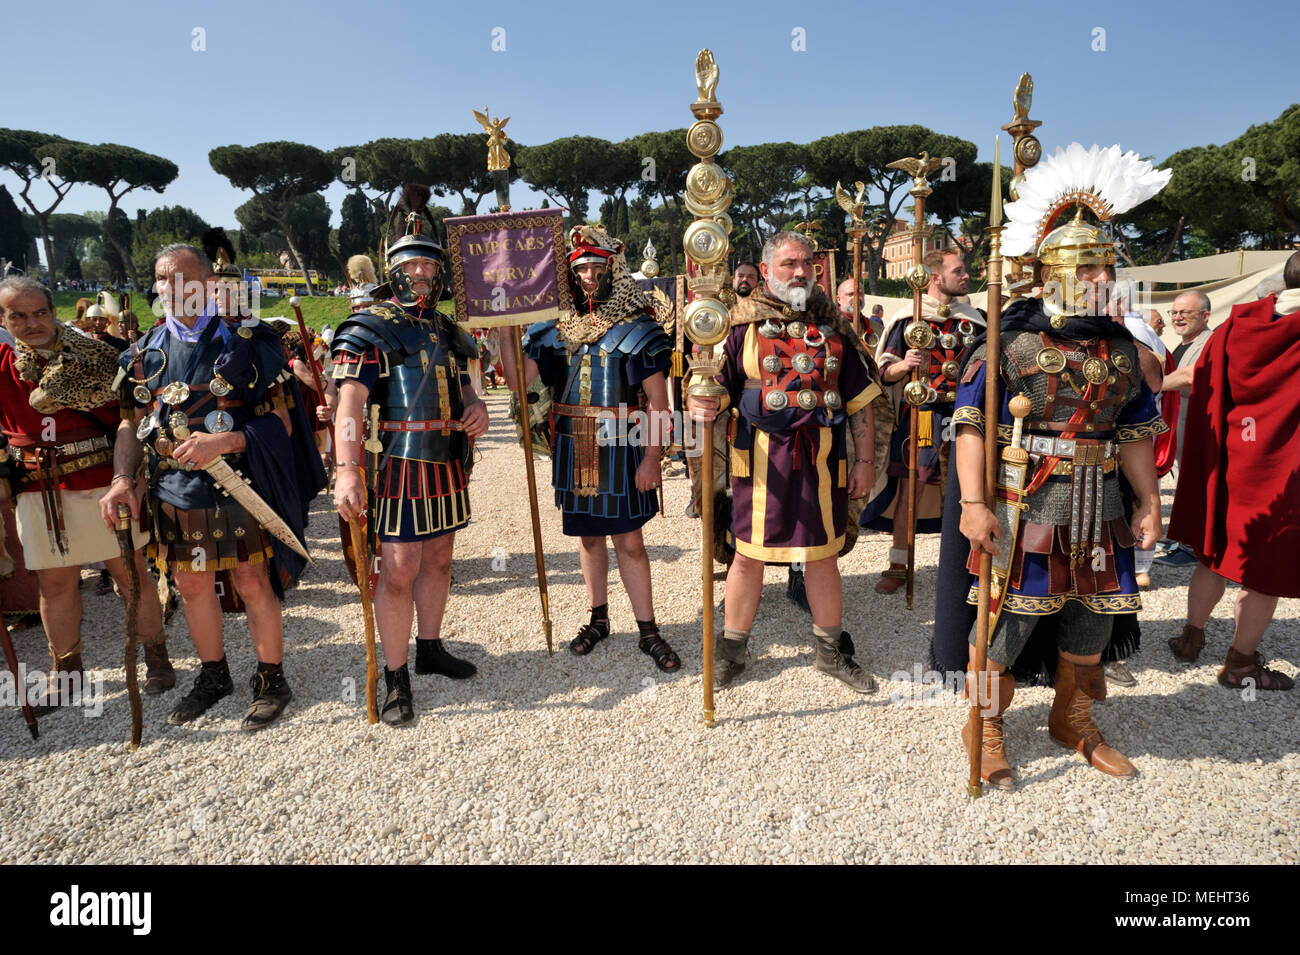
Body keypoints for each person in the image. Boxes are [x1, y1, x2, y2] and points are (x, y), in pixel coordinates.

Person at [933, 147, 1169, 788]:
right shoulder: (1009, 342)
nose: (1097, 276)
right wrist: (976, 504)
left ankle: (1073, 719)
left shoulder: (1120, 350)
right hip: (1025, 501)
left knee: (1091, 619)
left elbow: (1134, 433)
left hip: (1103, 504)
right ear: (1049, 272)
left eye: (1104, 265)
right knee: (1008, 621)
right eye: (1083, 266)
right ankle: (984, 727)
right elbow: (971, 425)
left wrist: (1148, 501)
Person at [100, 243, 325, 731]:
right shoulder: (140, 354)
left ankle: (271, 679)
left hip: (239, 485)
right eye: (163, 280)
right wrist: (122, 480)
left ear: (209, 283)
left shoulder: (251, 344)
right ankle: (214, 675)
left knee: (251, 582)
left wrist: (225, 440)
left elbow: (283, 423)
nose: (173, 288)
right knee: (191, 583)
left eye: (184, 278)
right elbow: (130, 425)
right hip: (173, 491)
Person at [686, 231, 889, 692]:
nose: (800, 272)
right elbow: (711, 387)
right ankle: (733, 650)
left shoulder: (835, 326)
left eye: (807, 264)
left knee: (823, 556)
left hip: (823, 461)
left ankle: (830, 650)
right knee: (747, 557)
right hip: (758, 464)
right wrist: (700, 402)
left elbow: (859, 402)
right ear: (766, 272)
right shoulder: (739, 326)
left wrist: (864, 462)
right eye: (789, 264)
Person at [332, 187, 488, 725]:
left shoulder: (447, 329)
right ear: (393, 269)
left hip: (446, 460)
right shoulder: (368, 326)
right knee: (398, 569)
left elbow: (464, 386)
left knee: (440, 560)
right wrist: (347, 469)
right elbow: (348, 402)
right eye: (412, 263)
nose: (422, 273)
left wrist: (476, 407)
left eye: (430, 264)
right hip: (396, 463)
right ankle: (395, 675)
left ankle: (430, 648)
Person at [501, 225, 681, 674]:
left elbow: (658, 402)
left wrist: (651, 458)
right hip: (571, 446)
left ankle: (648, 629)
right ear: (569, 272)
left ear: (611, 268)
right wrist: (502, 326)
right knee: (587, 537)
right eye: (579, 267)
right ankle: (598, 618)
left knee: (631, 542)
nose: (587, 274)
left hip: (622, 445)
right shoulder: (551, 329)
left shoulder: (637, 327)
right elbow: (517, 380)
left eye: (596, 265)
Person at [0, 276, 172, 712]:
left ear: (53, 311)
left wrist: (124, 478)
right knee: (55, 583)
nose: (31, 322)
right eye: (17, 315)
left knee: (129, 572)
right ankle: (67, 672)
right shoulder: (2, 363)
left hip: (102, 481)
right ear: (4, 319)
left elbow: (129, 421)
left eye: (39, 312)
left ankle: (156, 657)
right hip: (39, 490)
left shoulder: (96, 356)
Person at [1165, 251, 1300, 691]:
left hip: (1230, 461)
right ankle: (1241, 665)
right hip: (1283, 469)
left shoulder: (1234, 326)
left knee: (1213, 555)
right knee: (1265, 570)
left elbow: (1203, 383)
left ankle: (1191, 638)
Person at [861, 248, 983, 594]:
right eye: (958, 270)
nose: (966, 276)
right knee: (908, 491)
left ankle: (965, 566)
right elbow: (882, 371)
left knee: (967, 491)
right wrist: (905, 363)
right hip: (921, 416)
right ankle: (899, 565)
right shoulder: (908, 319)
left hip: (965, 417)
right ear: (934, 277)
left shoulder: (974, 319)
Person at [1153, 291, 1213, 568]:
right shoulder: (1184, 344)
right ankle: (1184, 539)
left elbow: (1191, 376)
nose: (1177, 318)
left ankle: (1192, 547)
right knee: (1185, 486)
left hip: (1198, 429)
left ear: (1205, 316)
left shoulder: (1208, 342)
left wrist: (1150, 386)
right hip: (1183, 428)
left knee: (1196, 487)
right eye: (1174, 313)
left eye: (1185, 313)